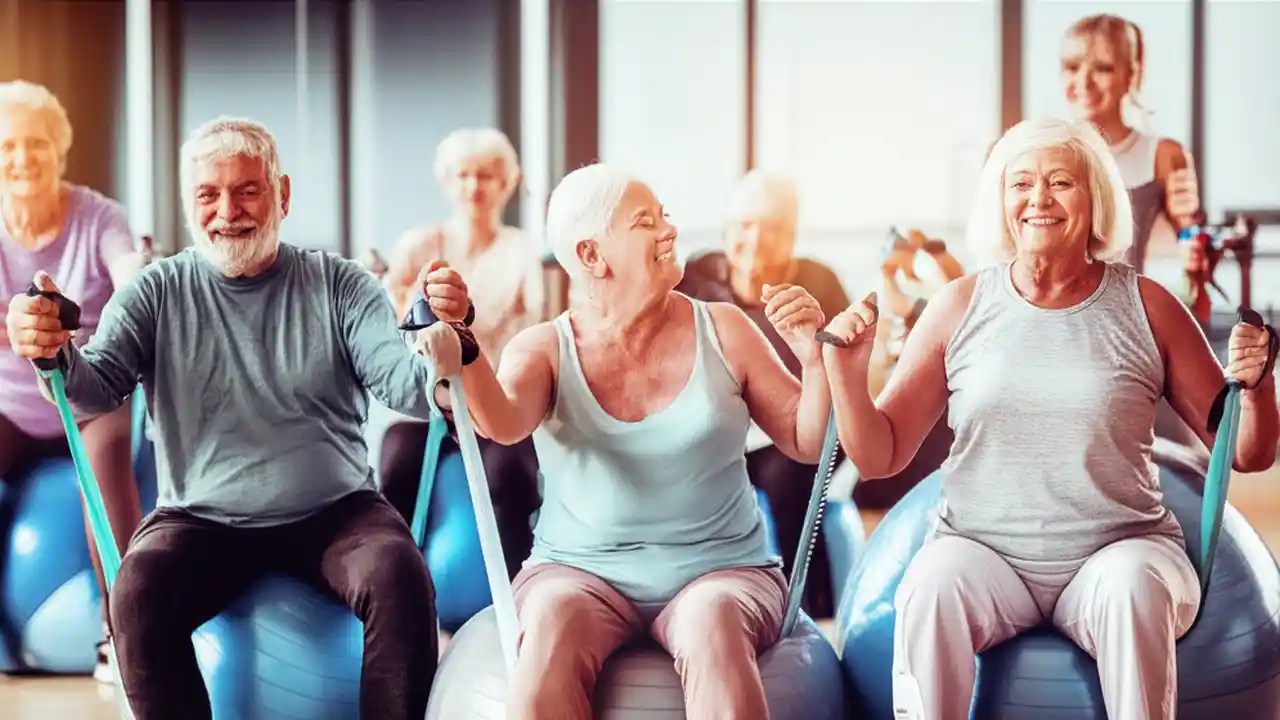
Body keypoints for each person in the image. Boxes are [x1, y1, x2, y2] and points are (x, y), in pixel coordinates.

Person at [820, 117, 1278, 720]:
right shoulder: (958, 305)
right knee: (930, 588)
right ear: (1001, 200)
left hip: (1119, 549)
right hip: (982, 551)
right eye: (1022, 184)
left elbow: (1244, 452)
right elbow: (882, 454)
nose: (1039, 199)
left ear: (1095, 201)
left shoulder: (1148, 306)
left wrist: (1260, 384)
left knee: (1133, 588)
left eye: (1061, 182)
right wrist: (848, 375)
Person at [5, 116, 440, 720]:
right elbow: (95, 388)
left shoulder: (341, 285)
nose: (227, 211)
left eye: (248, 190)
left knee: (399, 574)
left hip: (336, 512)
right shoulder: (156, 291)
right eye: (209, 195)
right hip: (202, 517)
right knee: (135, 590)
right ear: (190, 204)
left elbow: (407, 388)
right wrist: (51, 350)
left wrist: (444, 344)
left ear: (282, 195)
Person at [424, 163, 833, 718]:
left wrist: (815, 358)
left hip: (722, 570)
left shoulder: (726, 328)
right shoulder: (544, 348)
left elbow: (806, 439)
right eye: (646, 222)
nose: (669, 230)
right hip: (577, 571)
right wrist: (463, 348)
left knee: (712, 621)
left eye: (664, 216)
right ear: (592, 255)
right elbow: (501, 422)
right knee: (549, 629)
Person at [0, 79, 146, 682]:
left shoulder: (97, 215)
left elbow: (132, 273)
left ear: (59, 150)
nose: (22, 159)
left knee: (107, 476)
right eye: (8, 147)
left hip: (88, 395)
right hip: (11, 405)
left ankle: (125, 638)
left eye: (36, 144)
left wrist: (142, 276)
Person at [677, 169, 847, 617]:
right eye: (744, 226)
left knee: (789, 477)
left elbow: (845, 369)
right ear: (726, 230)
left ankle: (811, 608)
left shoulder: (820, 282)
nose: (755, 240)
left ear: (792, 236)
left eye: (772, 228)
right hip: (719, 424)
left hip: (795, 426)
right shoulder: (694, 277)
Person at [378, 127, 542, 578]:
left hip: (494, 403)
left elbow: (530, 333)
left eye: (488, 176)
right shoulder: (420, 245)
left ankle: (521, 588)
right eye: (465, 175)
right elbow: (393, 329)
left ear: (506, 183)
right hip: (432, 405)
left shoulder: (522, 250)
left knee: (513, 475)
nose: (475, 186)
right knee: (394, 465)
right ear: (448, 182)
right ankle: (402, 588)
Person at [1060, 14, 1199, 274]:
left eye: (1102, 68)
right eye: (1072, 67)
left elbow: (1196, 266)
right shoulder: (1047, 153)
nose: (1084, 81)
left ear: (1131, 76)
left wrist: (1191, 233)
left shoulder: (1163, 156)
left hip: (1133, 309)